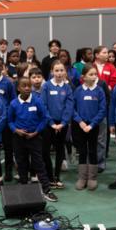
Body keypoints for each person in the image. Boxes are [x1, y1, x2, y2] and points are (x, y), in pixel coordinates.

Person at [8, 77, 57, 202]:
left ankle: (46, 190)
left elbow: (44, 118)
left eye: (28, 86)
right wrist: (16, 130)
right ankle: (24, 187)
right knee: (21, 163)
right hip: (19, 138)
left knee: (39, 164)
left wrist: (36, 131)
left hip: (34, 138)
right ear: (18, 88)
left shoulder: (37, 101)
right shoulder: (13, 104)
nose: (26, 88)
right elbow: (10, 121)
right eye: (23, 86)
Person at [72, 65, 106, 190]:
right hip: (80, 126)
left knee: (92, 150)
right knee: (82, 151)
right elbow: (73, 108)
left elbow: (102, 110)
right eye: (91, 74)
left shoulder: (99, 90)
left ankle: (92, 177)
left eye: (95, 74)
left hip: (93, 126)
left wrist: (92, 124)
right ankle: (82, 177)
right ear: (83, 77)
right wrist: (80, 122)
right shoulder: (78, 91)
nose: (94, 76)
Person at [41, 60, 74, 189]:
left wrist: (63, 123)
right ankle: (49, 176)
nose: (59, 73)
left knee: (60, 149)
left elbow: (69, 106)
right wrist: (51, 123)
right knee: (45, 151)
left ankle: (57, 176)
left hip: (62, 124)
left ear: (65, 72)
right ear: (51, 72)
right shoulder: (46, 86)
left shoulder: (67, 87)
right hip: (49, 124)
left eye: (61, 70)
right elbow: (43, 105)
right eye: (56, 70)